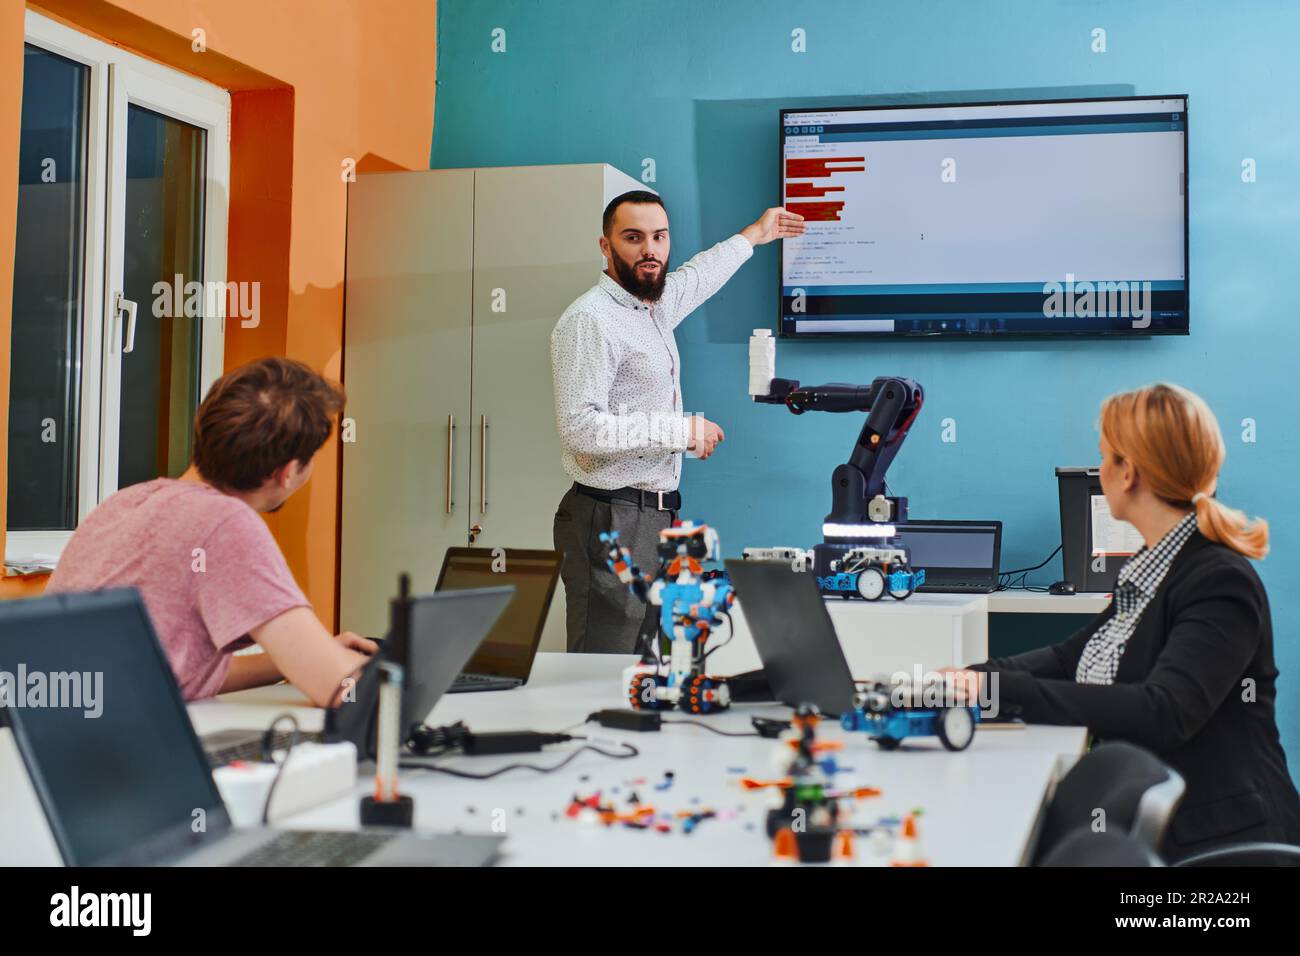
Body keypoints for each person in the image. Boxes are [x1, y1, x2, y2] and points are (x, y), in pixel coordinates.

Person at [946, 383, 1300, 861]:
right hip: (1171, 829)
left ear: (1128, 472)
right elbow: (1067, 658)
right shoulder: (1153, 568)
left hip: (1223, 840)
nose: (1100, 470)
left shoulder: (1219, 582)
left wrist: (1004, 693)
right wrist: (973, 681)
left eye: (1104, 458)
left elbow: (1164, 712)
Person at [551, 189, 804, 653]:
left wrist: (754, 235)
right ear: (606, 246)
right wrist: (681, 431)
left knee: (655, 665)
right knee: (606, 666)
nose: (650, 250)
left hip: (656, 517)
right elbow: (580, 428)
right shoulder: (590, 320)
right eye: (633, 237)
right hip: (609, 516)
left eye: (659, 237)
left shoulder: (654, 306)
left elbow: (700, 275)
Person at [48, 357, 376, 706]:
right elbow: (339, 688)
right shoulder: (225, 523)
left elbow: (178, 672)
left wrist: (305, 656)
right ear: (288, 471)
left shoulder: (123, 504)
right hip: (117, 746)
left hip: (47, 736)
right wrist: (397, 672)